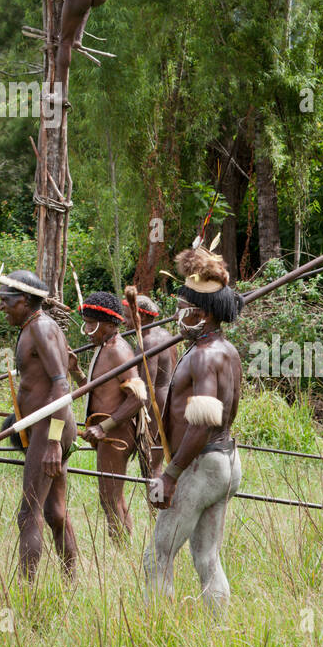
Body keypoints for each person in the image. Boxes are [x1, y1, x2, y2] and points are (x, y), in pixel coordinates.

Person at [143, 245, 243, 610]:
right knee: (207, 558)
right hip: (226, 462)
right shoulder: (226, 351)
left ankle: (155, 637)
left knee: (158, 557)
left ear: (201, 314)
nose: (176, 315)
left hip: (201, 464)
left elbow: (201, 423)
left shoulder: (203, 356)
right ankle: (220, 636)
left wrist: (170, 475)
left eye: (182, 309)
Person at [0, 268, 78, 579]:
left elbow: (61, 387)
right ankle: (71, 582)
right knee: (54, 512)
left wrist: (54, 442)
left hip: (50, 429)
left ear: (25, 301)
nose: (1, 306)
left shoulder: (42, 329)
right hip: (46, 427)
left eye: (6, 300)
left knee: (28, 513)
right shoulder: (34, 326)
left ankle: (26, 591)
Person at [70, 292, 148, 540]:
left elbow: (138, 396)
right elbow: (100, 392)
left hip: (117, 432)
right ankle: (123, 549)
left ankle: (122, 551)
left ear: (110, 324)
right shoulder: (104, 347)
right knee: (111, 496)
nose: (88, 330)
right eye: (86, 323)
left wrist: (105, 427)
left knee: (110, 497)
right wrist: (76, 371)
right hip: (108, 430)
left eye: (92, 325)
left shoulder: (117, 350)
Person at [121, 291, 175, 478]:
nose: (124, 322)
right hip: (169, 400)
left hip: (156, 408)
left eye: (127, 317)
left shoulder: (149, 342)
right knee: (157, 460)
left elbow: (146, 388)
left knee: (151, 463)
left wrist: (130, 414)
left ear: (141, 316)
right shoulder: (166, 334)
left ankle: (157, 506)